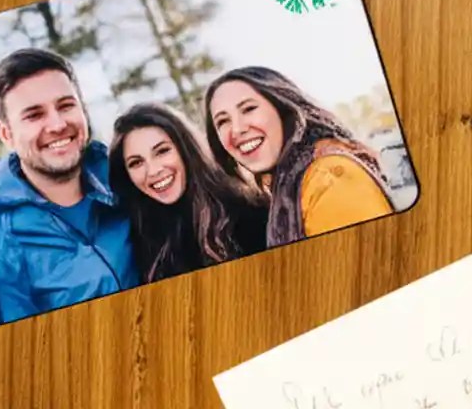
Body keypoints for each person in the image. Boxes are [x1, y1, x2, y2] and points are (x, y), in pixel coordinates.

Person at [0, 48, 141, 336]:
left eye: (65, 106)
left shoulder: (130, 186)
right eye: (34, 115)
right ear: (7, 134)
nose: (58, 124)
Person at [203, 66, 396, 246]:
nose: (237, 129)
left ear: (283, 108)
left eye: (249, 109)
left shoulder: (329, 177)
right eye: (222, 121)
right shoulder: (284, 187)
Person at [107, 103, 268, 282]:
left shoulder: (247, 212)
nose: (153, 171)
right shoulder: (138, 238)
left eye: (162, 151)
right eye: (136, 163)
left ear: (185, 148)